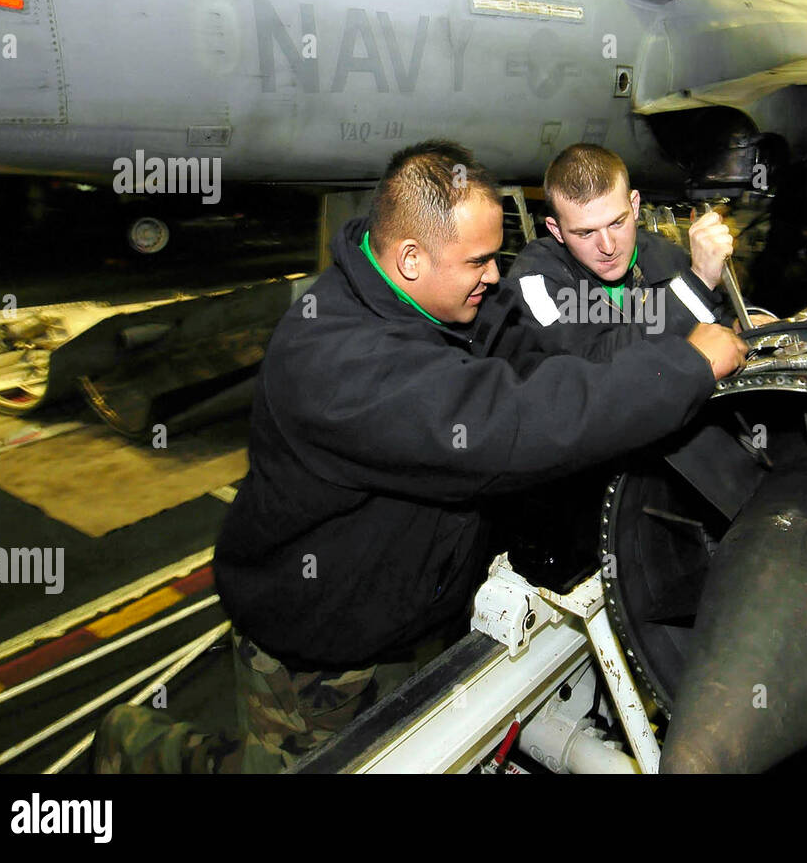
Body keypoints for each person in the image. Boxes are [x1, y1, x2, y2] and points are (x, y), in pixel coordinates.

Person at [92, 140, 747, 774]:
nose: (495, 275)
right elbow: (510, 421)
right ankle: (138, 744)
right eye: (479, 261)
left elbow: (534, 361)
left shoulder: (433, 299)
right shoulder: (341, 363)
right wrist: (683, 368)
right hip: (319, 640)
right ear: (411, 259)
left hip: (408, 607)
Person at [508, 143, 740, 357]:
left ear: (635, 205)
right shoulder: (535, 279)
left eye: (617, 223)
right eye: (586, 233)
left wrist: (741, 323)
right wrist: (696, 287)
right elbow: (594, 361)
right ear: (556, 230)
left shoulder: (662, 252)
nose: (608, 247)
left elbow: (721, 311)